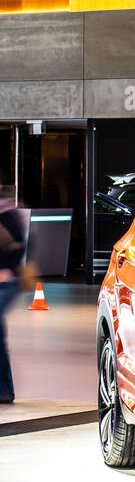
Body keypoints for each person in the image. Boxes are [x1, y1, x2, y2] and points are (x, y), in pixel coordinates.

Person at [0, 170, 25, 405]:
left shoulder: (6, 213)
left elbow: (18, 245)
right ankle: (4, 389)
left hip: (6, 282)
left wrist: (7, 268)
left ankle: (5, 389)